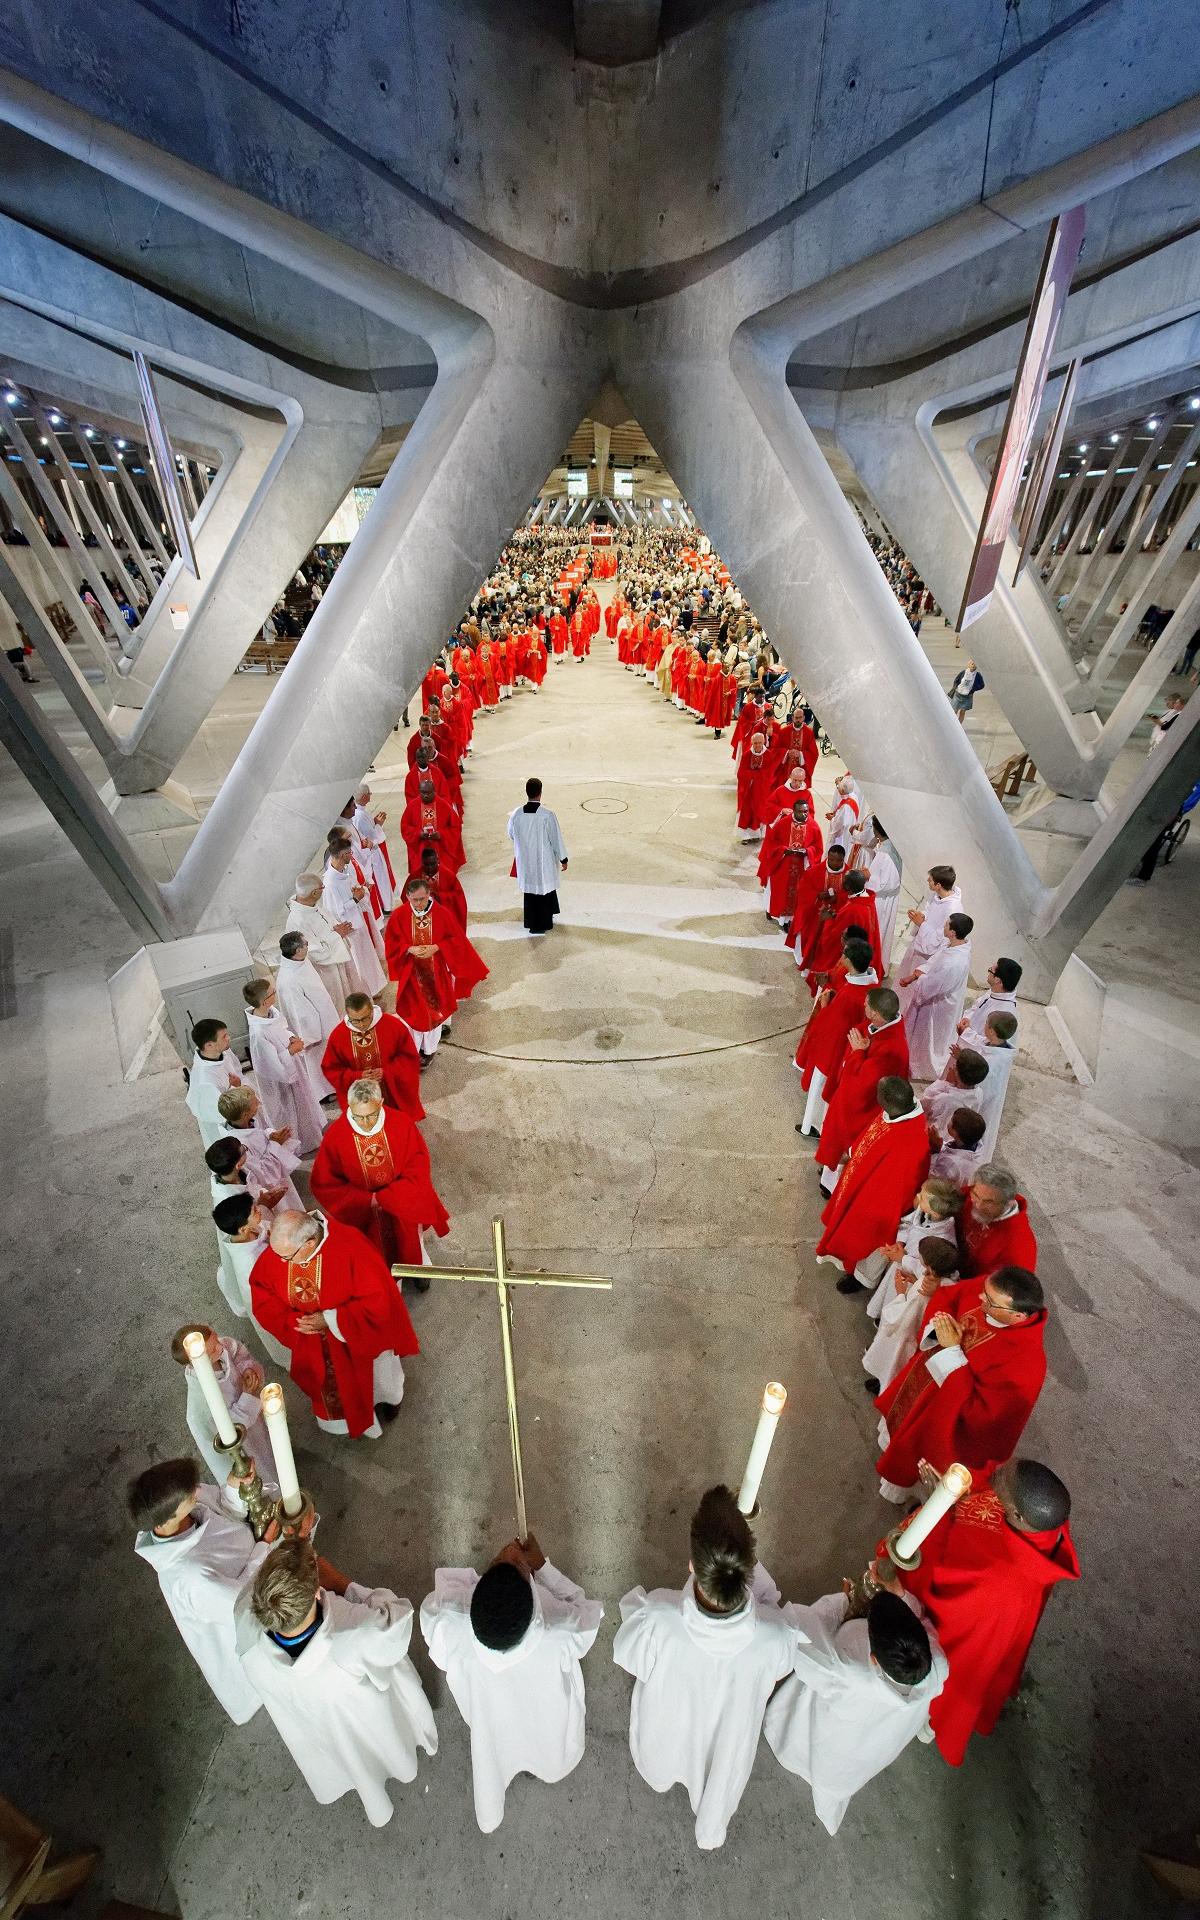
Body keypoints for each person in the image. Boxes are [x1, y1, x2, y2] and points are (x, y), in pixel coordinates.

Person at [612, 1485, 796, 1852]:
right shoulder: (776, 1636)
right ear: (749, 1567)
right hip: (728, 1733)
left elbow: (628, 1654)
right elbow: (779, 1666)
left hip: (666, 1721)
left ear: (693, 1566)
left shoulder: (658, 1616)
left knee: (666, 1749)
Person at [236, 1538, 437, 1827]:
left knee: (346, 1754)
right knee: (380, 1745)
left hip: (311, 1720)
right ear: (318, 1593)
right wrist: (343, 1584)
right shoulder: (352, 1634)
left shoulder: (245, 1625)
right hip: (367, 1717)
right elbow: (398, 1620)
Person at [894, 1457, 1080, 1765]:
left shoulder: (1000, 1582)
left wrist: (936, 1508)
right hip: (997, 1606)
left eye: (1003, 1482)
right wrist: (952, 1497)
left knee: (952, 1682)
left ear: (1018, 1514)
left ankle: (926, 1721)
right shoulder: (1041, 1526)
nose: (996, 1473)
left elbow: (944, 1608)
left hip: (977, 1629)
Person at [420, 1532, 603, 1834]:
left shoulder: (445, 1617)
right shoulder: (561, 1628)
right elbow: (586, 1612)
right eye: (515, 1564)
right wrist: (542, 1567)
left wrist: (502, 1569)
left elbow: (435, 1630)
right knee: (549, 1743)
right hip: (547, 1716)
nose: (509, 1552)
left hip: (489, 1713)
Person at [764, 1588, 946, 1835]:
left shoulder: (849, 1671)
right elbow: (920, 1620)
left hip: (835, 1734)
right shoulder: (937, 1664)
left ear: (873, 1659)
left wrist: (842, 1602)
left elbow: (800, 1635)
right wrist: (899, 1592)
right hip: (877, 1744)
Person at [875, 1264, 1048, 1501]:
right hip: (923, 1386)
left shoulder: (1025, 1366)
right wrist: (940, 1327)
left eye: (989, 1300)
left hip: (945, 1419)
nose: (980, 1298)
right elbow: (950, 1296)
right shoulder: (993, 1289)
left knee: (919, 1460)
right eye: (984, 1292)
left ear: (1018, 1316)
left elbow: (981, 1417)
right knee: (901, 1432)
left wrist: (952, 1350)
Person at [250, 1209, 418, 1440]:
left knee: (377, 1380)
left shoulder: (352, 1246)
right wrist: (294, 1321)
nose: (282, 1262)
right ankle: (345, 1422)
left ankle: (387, 1401)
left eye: (287, 1258)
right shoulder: (283, 1249)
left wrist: (330, 1319)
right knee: (333, 1387)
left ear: (309, 1243)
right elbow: (262, 1292)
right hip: (313, 1343)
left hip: (357, 1337)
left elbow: (378, 1301)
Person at [130, 1456, 272, 1724]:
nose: (198, 1489)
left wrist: (233, 1487)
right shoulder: (188, 1575)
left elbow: (225, 1509)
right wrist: (264, 1545)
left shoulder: (187, 1500)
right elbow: (241, 1604)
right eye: (191, 1490)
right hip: (249, 1622)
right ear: (166, 1520)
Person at [309, 1074, 448, 1274]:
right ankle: (390, 1281)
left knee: (410, 1240)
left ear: (381, 1102)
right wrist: (367, 1200)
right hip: (365, 1209)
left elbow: (418, 1162)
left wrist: (391, 1195)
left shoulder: (400, 1122)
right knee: (376, 1250)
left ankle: (417, 1269)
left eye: (371, 1115)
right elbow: (325, 1183)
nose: (365, 1122)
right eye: (359, 1116)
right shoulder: (336, 1136)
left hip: (401, 1200)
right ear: (349, 1106)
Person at [816, 1077, 932, 1290]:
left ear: (883, 1100)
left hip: (876, 1205)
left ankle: (859, 1278)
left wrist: (861, 1206)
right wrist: (853, 1153)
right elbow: (874, 1138)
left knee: (868, 1241)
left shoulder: (909, 1146)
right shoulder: (899, 1110)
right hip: (859, 1182)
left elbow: (894, 1191)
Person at [815, 986, 910, 1195]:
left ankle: (832, 1186)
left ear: (876, 1014)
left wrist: (857, 1053)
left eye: (866, 1005)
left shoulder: (893, 1048)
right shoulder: (881, 1025)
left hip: (862, 1107)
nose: (863, 1006)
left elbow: (863, 1084)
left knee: (844, 1142)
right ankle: (828, 1172)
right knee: (836, 1140)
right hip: (850, 1094)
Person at [383, 876, 489, 1062]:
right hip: (412, 974)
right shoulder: (399, 916)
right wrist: (409, 948)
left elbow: (456, 939)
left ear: (429, 894)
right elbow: (392, 943)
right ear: (407, 896)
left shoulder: (442, 914)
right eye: (414, 899)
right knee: (414, 1012)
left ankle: (429, 1050)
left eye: (422, 899)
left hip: (436, 972)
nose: (418, 903)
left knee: (435, 1009)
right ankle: (414, 1049)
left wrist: (437, 947)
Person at [170, 1322, 278, 1492]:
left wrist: (247, 1370)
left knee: (270, 1448)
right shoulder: (198, 1406)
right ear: (194, 1362)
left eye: (216, 1340)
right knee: (263, 1469)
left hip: (256, 1423)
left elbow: (239, 1354)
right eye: (213, 1350)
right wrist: (248, 1395)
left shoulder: (221, 1345)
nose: (221, 1348)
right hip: (244, 1443)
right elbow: (227, 1430)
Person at [794, 937, 877, 1137]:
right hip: (849, 1047)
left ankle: (812, 1127)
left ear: (849, 960)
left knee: (820, 1087)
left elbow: (830, 1026)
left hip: (834, 1051)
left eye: (844, 954)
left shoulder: (850, 995)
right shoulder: (871, 985)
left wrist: (824, 1006)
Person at [243, 977, 327, 1155]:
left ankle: (312, 1133)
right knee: (289, 1111)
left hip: (292, 1065)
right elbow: (268, 1065)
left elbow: (281, 1028)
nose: (276, 993)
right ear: (265, 1001)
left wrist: (290, 1038)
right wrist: (289, 1051)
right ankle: (299, 1144)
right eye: (273, 992)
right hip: (281, 1081)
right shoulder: (258, 1033)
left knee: (304, 1102)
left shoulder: (270, 1013)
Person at [321, 992, 424, 1120]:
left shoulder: (393, 1025)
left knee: (397, 1126)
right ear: (348, 1015)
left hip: (391, 1094)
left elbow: (409, 1058)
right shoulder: (338, 1036)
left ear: (372, 1010)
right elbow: (332, 1069)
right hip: (361, 1101)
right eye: (356, 1020)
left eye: (365, 1018)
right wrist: (357, 1076)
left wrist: (386, 1072)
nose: (362, 1024)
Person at [899, 911, 974, 1080]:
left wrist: (920, 978)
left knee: (928, 1038)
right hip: (935, 996)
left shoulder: (955, 961)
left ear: (953, 932)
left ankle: (921, 1067)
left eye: (947, 924)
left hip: (937, 1005)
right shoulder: (955, 945)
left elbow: (932, 985)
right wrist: (916, 974)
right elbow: (935, 961)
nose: (944, 927)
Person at [216, 1085, 303, 1211]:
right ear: (246, 1114)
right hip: (270, 1190)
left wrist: (270, 1134)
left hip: (278, 1175)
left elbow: (259, 1133)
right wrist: (275, 1144)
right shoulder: (239, 1147)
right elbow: (263, 1176)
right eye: (255, 1103)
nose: (259, 1102)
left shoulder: (244, 1123)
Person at [275, 933, 338, 1103]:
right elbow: (300, 1013)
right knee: (316, 1058)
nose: (308, 946)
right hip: (314, 1028)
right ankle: (323, 1092)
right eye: (306, 944)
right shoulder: (289, 979)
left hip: (324, 1015)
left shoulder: (299, 962)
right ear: (297, 951)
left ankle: (333, 1083)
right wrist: (311, 1036)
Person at [322, 845, 386, 996]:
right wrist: (355, 899)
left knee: (367, 958)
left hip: (358, 922)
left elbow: (352, 890)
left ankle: (374, 987)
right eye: (349, 852)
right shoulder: (330, 883)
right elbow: (336, 911)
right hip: (350, 929)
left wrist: (358, 891)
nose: (352, 855)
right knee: (359, 964)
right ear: (341, 855)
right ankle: (365, 993)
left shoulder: (343, 872)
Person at [506, 777, 568, 934]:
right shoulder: (547, 815)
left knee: (531, 890)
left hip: (525, 860)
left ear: (527, 793)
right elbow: (556, 839)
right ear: (540, 793)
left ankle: (534, 920)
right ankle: (542, 924)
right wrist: (563, 858)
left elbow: (511, 834)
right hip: (543, 861)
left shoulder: (516, 814)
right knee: (544, 887)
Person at [957, 1164, 1038, 1276]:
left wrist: (948, 1287)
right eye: (975, 1195)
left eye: (989, 1202)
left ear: (1008, 1203)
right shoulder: (973, 1196)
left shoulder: (1018, 1247)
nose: (978, 1205)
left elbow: (1004, 1288)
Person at [286, 874, 353, 1006]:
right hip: (325, 972)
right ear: (314, 892)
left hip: (336, 963)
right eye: (322, 888)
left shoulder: (312, 907)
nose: (324, 890)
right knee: (335, 1004)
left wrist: (338, 928)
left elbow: (328, 924)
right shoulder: (297, 920)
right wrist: (337, 935)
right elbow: (313, 952)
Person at [895, 866, 962, 983]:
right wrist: (921, 915)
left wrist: (922, 924)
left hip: (929, 955)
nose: (927, 881)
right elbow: (930, 911)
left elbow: (944, 938)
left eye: (930, 879)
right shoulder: (937, 896)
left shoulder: (952, 909)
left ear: (938, 885)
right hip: (920, 941)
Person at [184, 1018, 242, 1148]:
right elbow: (220, 1112)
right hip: (224, 1128)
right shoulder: (204, 1080)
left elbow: (237, 1070)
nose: (229, 1038)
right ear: (209, 1045)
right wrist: (235, 1088)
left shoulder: (222, 1051)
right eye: (224, 1036)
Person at [972, 1011, 1018, 1158]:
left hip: (984, 1104)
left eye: (986, 1023)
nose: (984, 1026)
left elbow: (980, 1087)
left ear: (991, 1031)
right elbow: (980, 1043)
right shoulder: (999, 1048)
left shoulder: (993, 1062)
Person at [351, 784, 395, 911]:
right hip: (372, 856)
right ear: (365, 796)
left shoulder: (361, 812)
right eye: (369, 793)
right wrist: (379, 825)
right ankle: (385, 906)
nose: (371, 795)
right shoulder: (359, 816)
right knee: (380, 881)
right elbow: (372, 839)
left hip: (371, 854)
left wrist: (374, 822)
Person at [958, 957, 1021, 1044]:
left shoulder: (1005, 1014)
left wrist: (966, 1032)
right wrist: (966, 1018)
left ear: (998, 980)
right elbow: (976, 1006)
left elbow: (991, 1044)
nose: (988, 973)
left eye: (990, 971)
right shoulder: (995, 991)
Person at [930, 1106, 988, 1185]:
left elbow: (932, 1178)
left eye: (951, 1120)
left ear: (955, 1133)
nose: (950, 1120)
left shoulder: (949, 1164)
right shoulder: (974, 1142)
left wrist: (935, 1150)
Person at [948, 659, 984, 723]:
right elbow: (956, 680)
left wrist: (973, 689)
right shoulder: (963, 672)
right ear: (969, 665)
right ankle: (952, 724)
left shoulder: (978, 675)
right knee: (954, 711)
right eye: (972, 664)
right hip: (958, 694)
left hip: (967, 696)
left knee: (962, 712)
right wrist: (955, 687)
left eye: (975, 664)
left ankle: (959, 726)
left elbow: (982, 685)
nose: (973, 666)